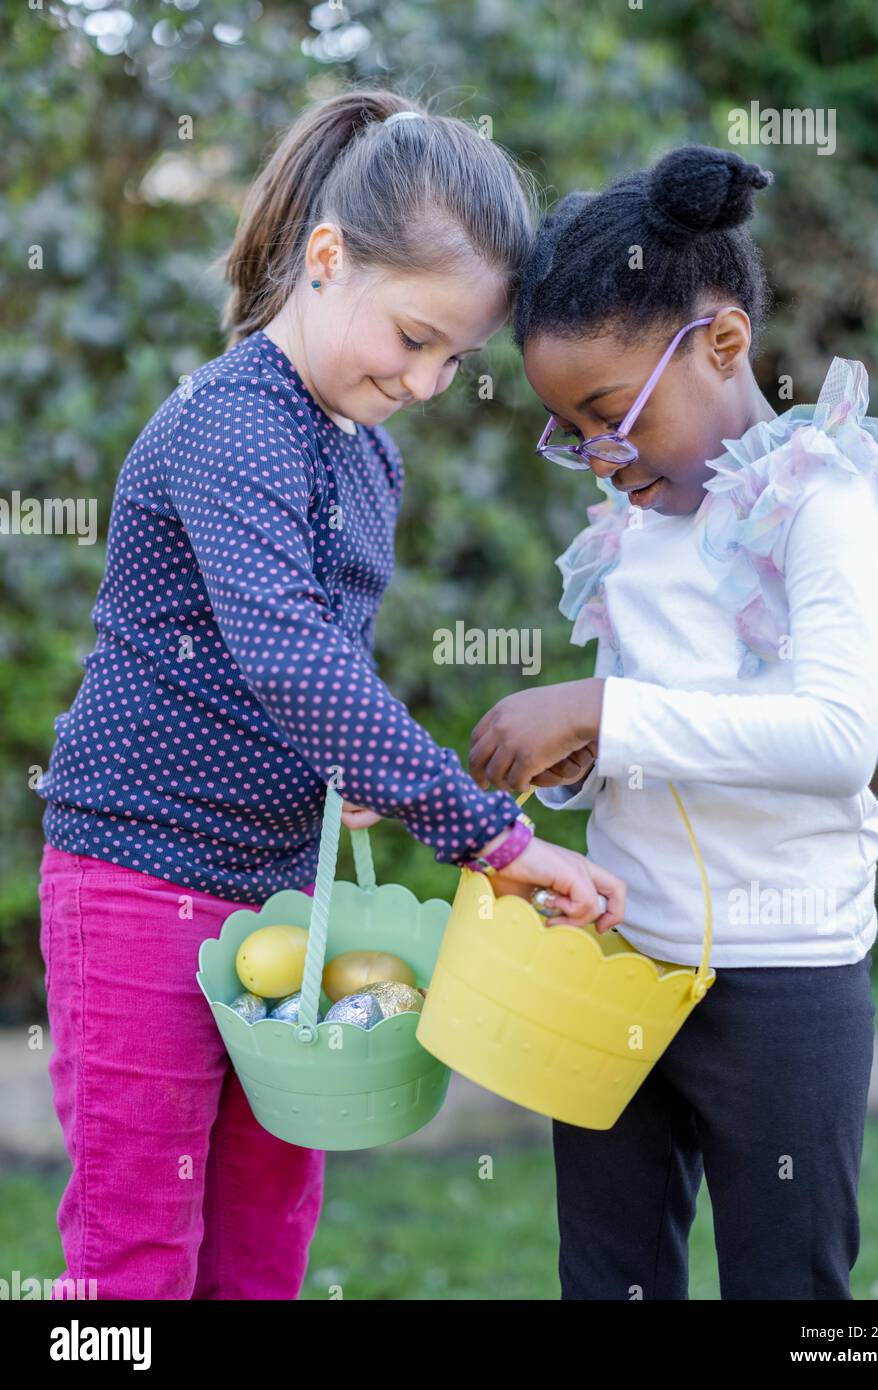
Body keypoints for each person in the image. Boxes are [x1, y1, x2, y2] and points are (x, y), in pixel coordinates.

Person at [35, 88, 625, 1301]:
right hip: (142, 881)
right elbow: (290, 655)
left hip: (279, 900)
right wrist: (488, 836)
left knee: (263, 1248)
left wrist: (340, 770)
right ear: (324, 259)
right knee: (138, 1254)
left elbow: (323, 680)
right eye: (413, 338)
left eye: (455, 359)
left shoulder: (367, 452)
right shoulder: (232, 425)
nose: (425, 379)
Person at [468, 143, 878, 1299]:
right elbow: (647, 743)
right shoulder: (631, 527)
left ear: (724, 343)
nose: (598, 451)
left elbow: (834, 736)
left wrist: (608, 710)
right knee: (608, 1278)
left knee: (786, 1286)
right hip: (620, 965)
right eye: (569, 429)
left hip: (781, 984)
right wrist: (582, 765)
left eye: (608, 412)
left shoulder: (824, 503)